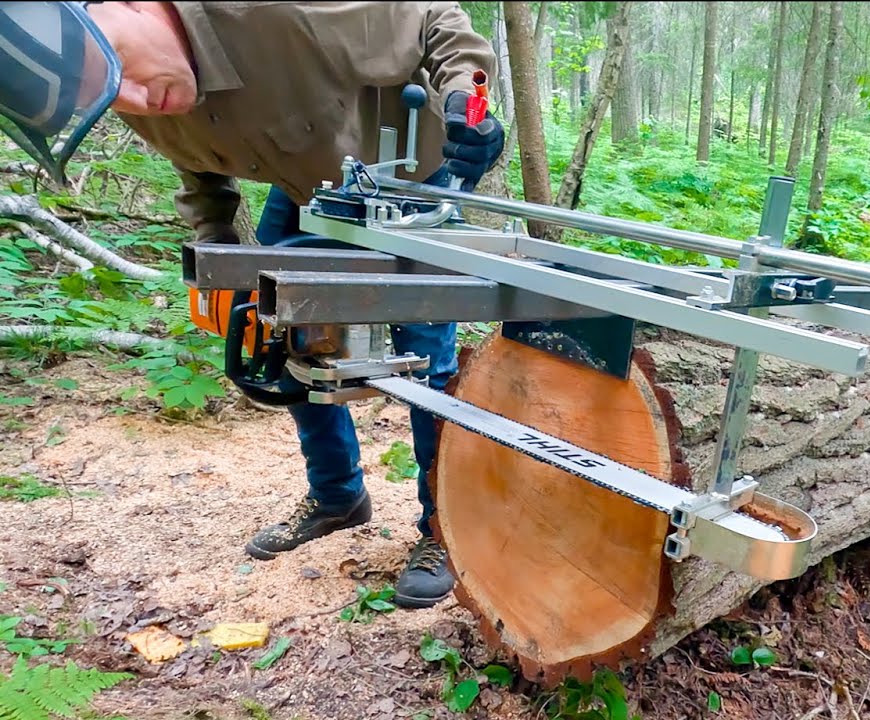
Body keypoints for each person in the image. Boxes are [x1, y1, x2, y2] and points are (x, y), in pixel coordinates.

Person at [0, 1, 504, 609]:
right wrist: (217, 253)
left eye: (119, 69)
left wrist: (465, 93)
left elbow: (432, 15)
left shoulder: (272, 10)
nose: (134, 98)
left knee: (426, 364)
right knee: (288, 336)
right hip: (306, 185)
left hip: (411, 179)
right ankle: (337, 496)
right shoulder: (130, 87)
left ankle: (442, 531)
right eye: (109, 98)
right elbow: (193, 161)